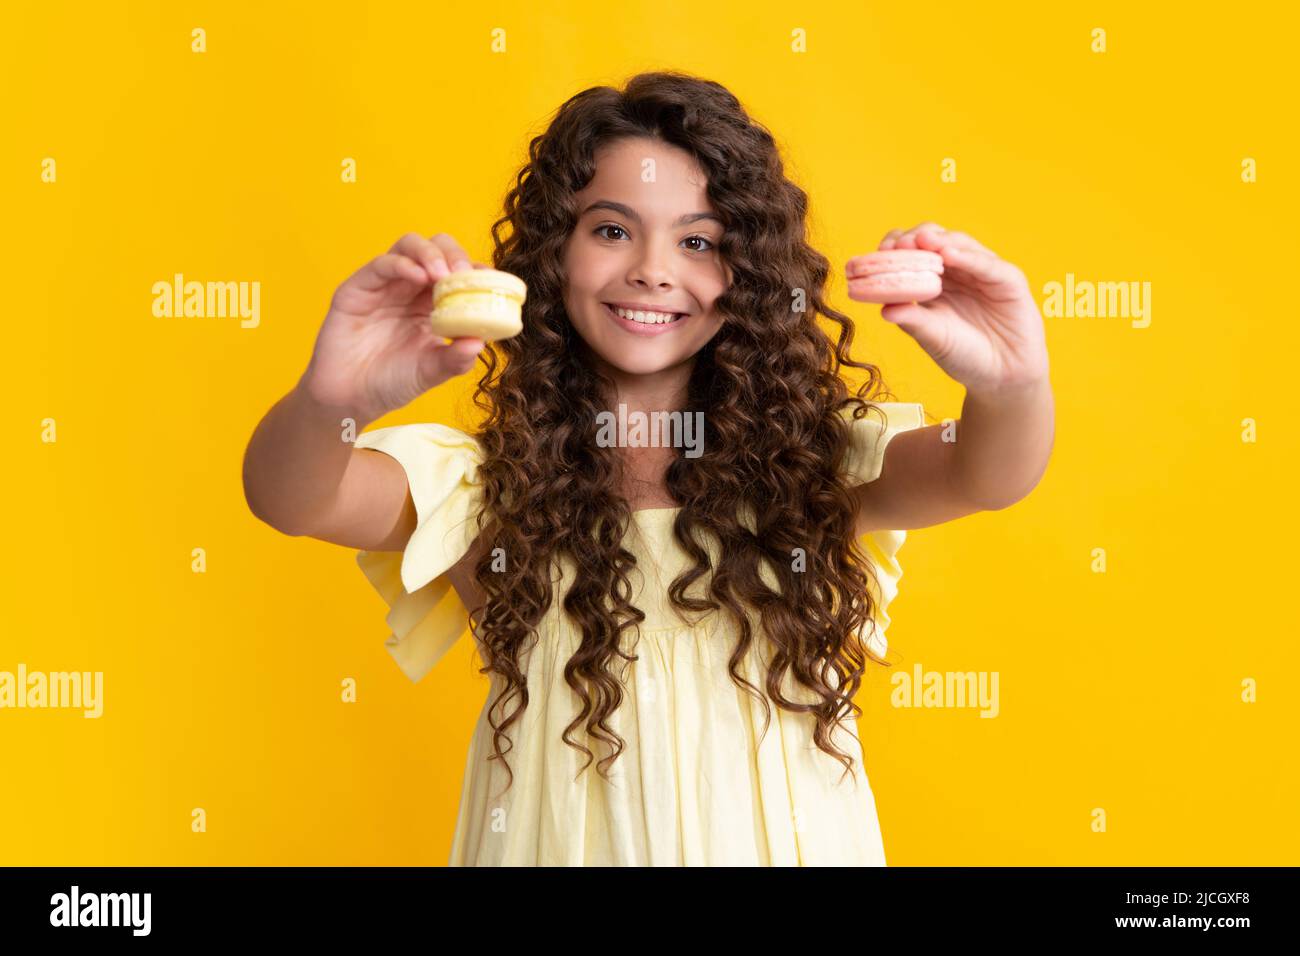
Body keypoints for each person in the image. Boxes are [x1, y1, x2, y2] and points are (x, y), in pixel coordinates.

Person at [242, 71, 1054, 865]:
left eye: (698, 241)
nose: (653, 270)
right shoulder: (491, 488)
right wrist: (330, 399)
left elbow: (986, 474)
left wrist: (1011, 383)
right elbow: (291, 497)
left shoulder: (808, 468)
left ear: (749, 275)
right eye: (611, 229)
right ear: (552, 254)